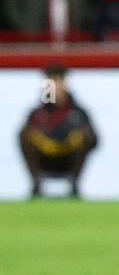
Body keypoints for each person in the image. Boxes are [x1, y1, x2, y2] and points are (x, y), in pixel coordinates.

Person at [18, 65, 98, 198]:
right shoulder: (37, 113)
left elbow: (94, 140)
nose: (56, 87)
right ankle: (36, 181)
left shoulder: (78, 111)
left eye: (59, 82)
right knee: (25, 134)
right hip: (44, 159)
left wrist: (75, 136)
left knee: (84, 135)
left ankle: (74, 182)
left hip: (69, 159)